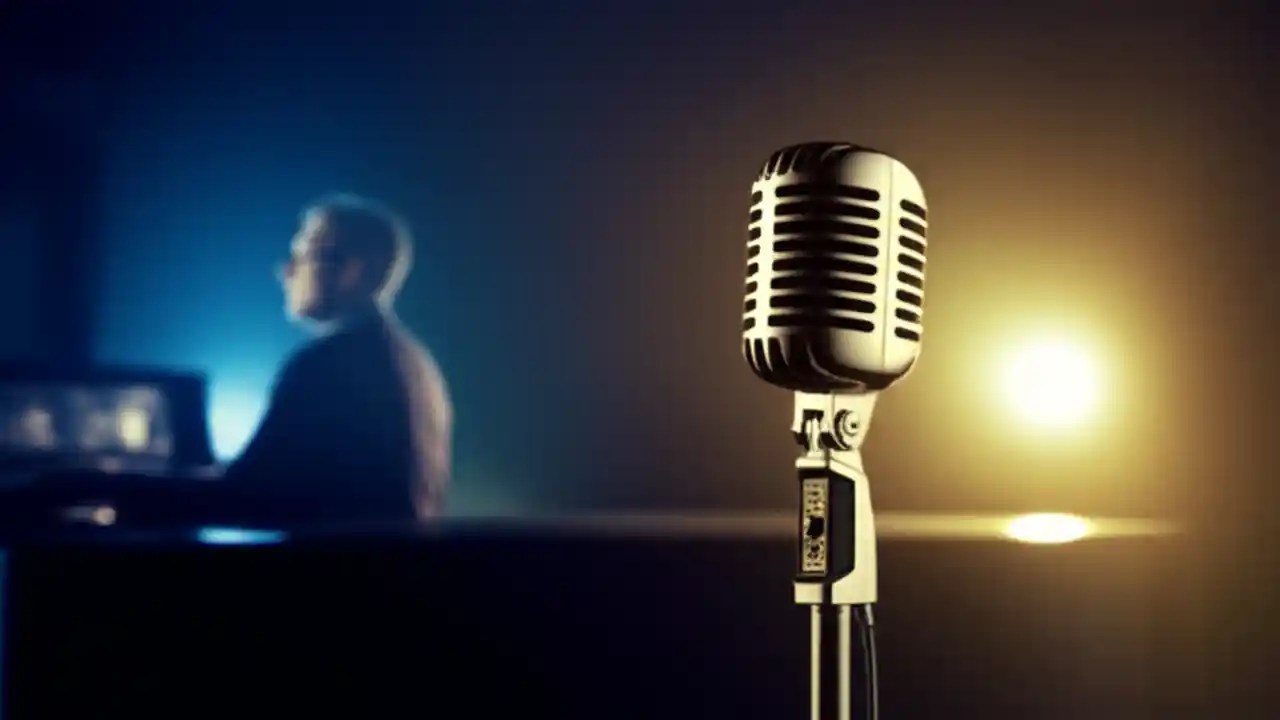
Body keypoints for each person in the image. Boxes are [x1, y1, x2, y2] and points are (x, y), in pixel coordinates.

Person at [220, 193, 453, 528]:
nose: (286, 271)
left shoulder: (325, 367)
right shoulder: (419, 365)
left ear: (352, 271)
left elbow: (243, 494)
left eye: (303, 255)